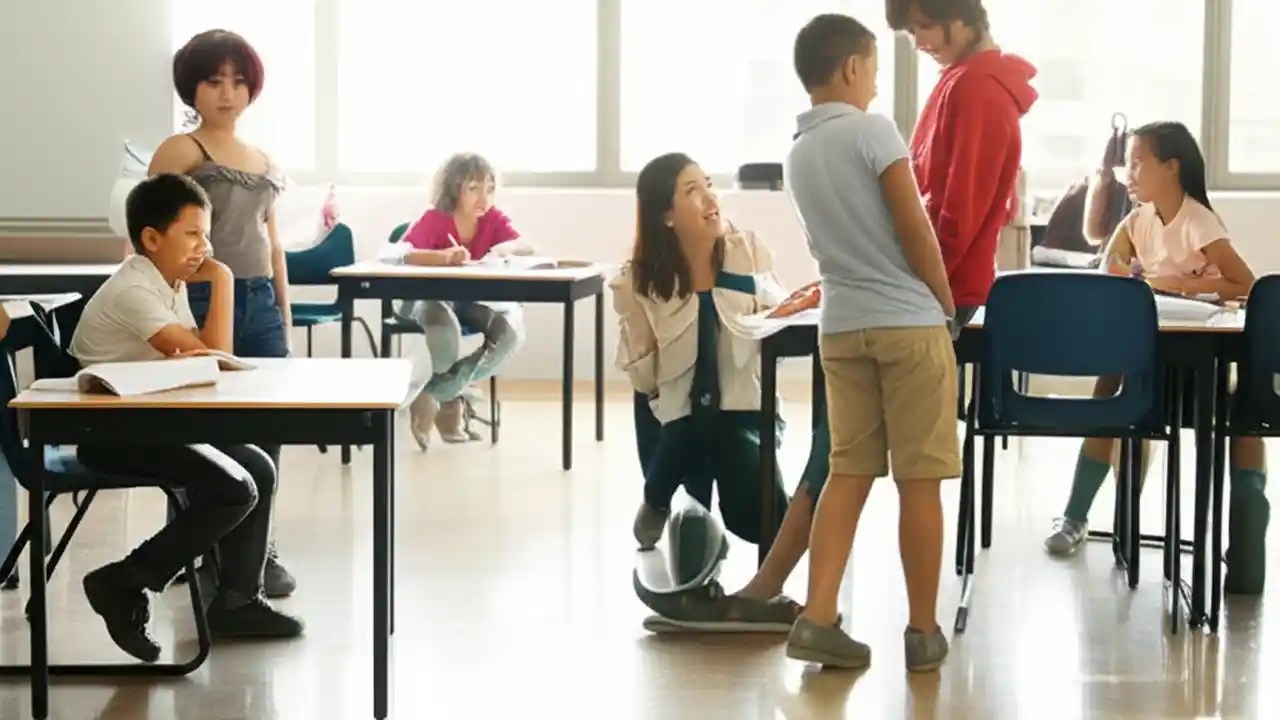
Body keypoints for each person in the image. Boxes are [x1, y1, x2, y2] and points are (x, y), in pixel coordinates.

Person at [783, 14, 960, 672]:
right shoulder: (872, 131)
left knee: (847, 471)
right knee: (921, 478)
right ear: (853, 68)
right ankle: (921, 632)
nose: (877, 88)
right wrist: (945, 301)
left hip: (843, 326)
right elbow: (913, 225)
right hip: (908, 325)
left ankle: (819, 615)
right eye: (877, 72)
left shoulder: (796, 153)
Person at [69, 174, 304, 662]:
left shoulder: (166, 282)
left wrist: (217, 278)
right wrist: (222, 278)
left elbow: (210, 359)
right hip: (108, 434)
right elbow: (212, 355)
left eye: (207, 233)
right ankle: (124, 581)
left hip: (149, 423)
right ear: (152, 238)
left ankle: (238, 601)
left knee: (256, 465)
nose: (206, 246)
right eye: (193, 234)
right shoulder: (134, 289)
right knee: (234, 487)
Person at [1044, 121, 1268, 594]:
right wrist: (1122, 270)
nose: (1129, 171)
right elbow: (1113, 269)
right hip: (1149, 343)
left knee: (1235, 407)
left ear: (1172, 167)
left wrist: (1180, 284)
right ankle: (1075, 515)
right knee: (1109, 384)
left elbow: (1246, 284)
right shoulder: (1137, 219)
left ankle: (1242, 537)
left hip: (1197, 353)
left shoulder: (1199, 222)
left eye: (1139, 161)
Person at [614, 152, 828, 629]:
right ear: (665, 215)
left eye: (708, 185)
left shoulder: (749, 251)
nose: (711, 199)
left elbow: (779, 327)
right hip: (676, 426)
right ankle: (660, 501)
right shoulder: (639, 280)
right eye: (692, 191)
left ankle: (677, 510)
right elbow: (643, 381)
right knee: (688, 437)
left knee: (761, 513)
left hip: (743, 413)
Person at [147, 28, 295, 599]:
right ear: (193, 88)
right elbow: (149, 235)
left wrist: (282, 310)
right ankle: (198, 544)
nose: (226, 92)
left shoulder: (262, 158)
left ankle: (257, 548)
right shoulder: (182, 151)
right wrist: (160, 304)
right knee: (204, 429)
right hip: (201, 298)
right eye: (214, 80)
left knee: (267, 427)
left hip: (256, 300)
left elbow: (272, 239)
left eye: (237, 81)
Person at [887, 0, 1038, 327]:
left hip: (946, 286)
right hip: (941, 282)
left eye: (925, 26)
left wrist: (918, 283)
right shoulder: (962, 79)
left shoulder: (976, 88)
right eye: (912, 31)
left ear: (960, 18)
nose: (918, 42)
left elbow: (960, 210)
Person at [391, 152, 531, 450]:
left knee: (511, 334)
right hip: (429, 298)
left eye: (490, 189)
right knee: (445, 338)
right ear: (454, 188)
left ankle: (435, 395)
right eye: (474, 188)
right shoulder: (435, 218)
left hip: (473, 301)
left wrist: (506, 249)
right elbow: (398, 253)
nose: (484, 197)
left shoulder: (493, 218)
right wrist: (440, 257)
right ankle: (453, 402)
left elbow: (523, 244)